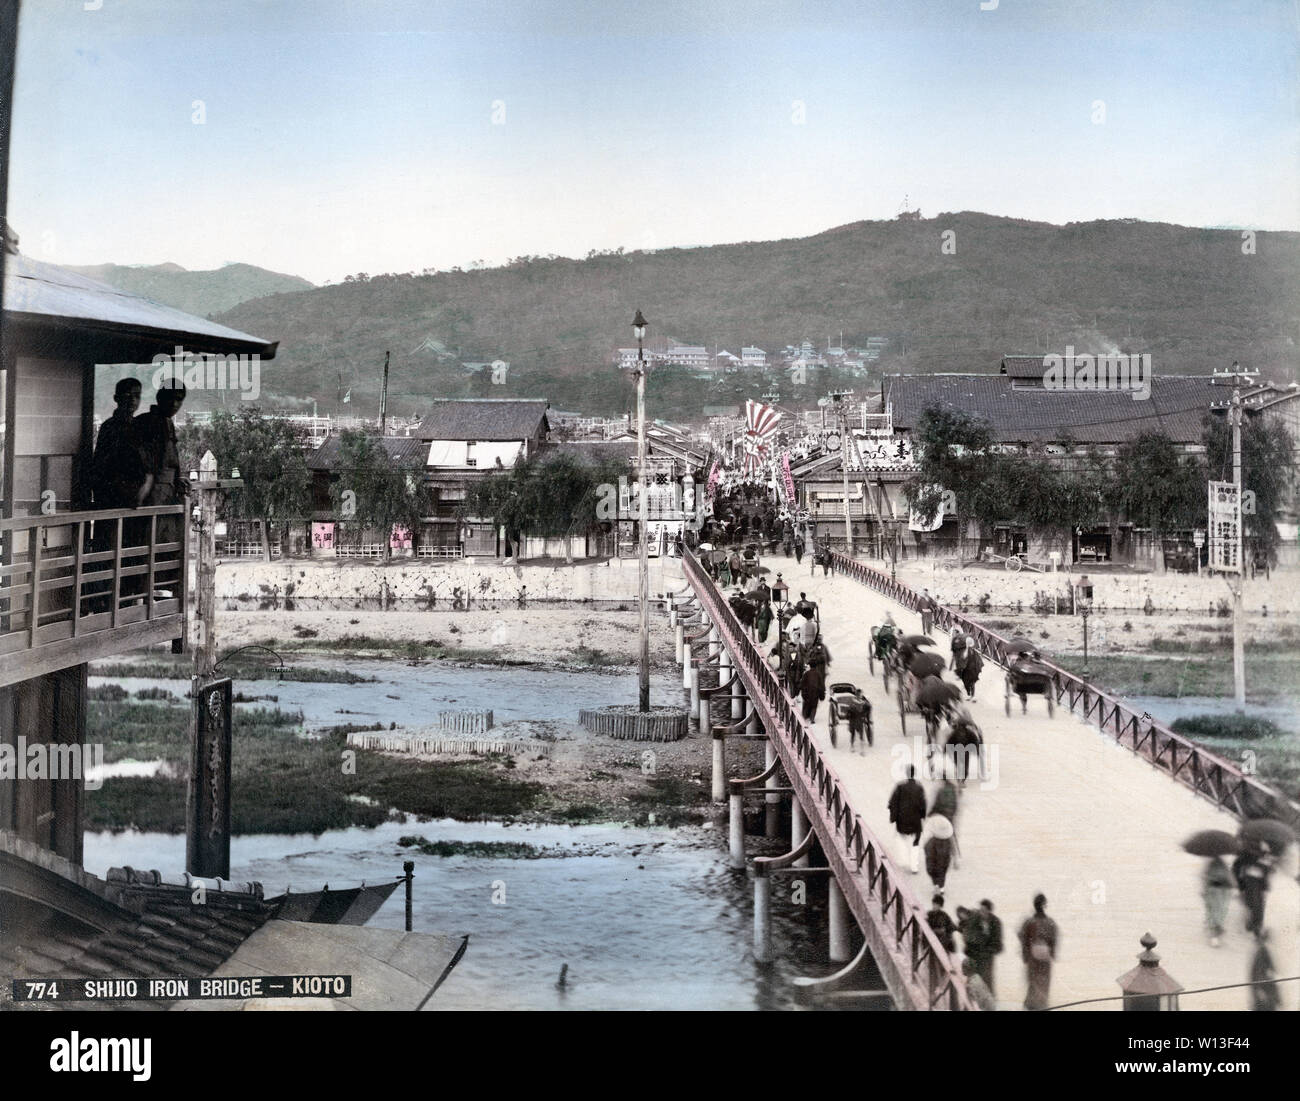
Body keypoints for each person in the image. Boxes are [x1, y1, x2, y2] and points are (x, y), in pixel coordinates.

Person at [90, 378, 153, 604]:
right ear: (116, 398)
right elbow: (100, 466)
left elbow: (148, 467)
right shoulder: (109, 428)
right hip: (110, 500)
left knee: (130, 557)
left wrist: (140, 493)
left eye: (136, 395)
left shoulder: (139, 429)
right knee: (107, 554)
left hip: (133, 502)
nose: (132, 400)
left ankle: (126, 602)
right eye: (127, 396)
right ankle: (103, 603)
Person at [134, 380, 189, 593]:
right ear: (160, 398)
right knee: (150, 541)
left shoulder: (167, 422)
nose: (175, 404)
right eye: (171, 398)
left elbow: (172, 461)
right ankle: (146, 591)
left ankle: (163, 588)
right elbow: (146, 461)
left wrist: (178, 479)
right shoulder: (147, 422)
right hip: (152, 491)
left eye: (179, 399)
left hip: (168, 492)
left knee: (168, 542)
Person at [1019, 893, 1059, 1010]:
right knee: (1043, 983)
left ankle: (1031, 1005)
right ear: (1044, 905)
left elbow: (1023, 938)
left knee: (1033, 982)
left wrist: (1025, 955)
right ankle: (1041, 1005)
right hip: (1045, 958)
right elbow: (1053, 940)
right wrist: (1052, 953)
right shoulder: (1050, 922)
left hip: (1032, 957)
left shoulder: (1029, 922)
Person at [887, 765, 927, 873]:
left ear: (906, 773)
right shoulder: (919, 787)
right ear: (915, 774)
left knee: (901, 838)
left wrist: (893, 818)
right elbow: (923, 804)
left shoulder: (899, 786)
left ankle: (904, 859)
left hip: (902, 818)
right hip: (915, 819)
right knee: (916, 841)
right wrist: (923, 816)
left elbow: (892, 803)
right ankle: (914, 866)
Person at [1233, 847, 1274, 936]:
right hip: (1251, 883)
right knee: (1255, 904)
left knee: (1255, 904)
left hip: (1254, 883)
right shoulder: (1248, 853)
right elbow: (1237, 867)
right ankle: (1255, 925)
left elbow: (1267, 870)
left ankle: (1254, 925)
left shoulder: (1257, 852)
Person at [1203, 854, 1234, 946]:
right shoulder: (1223, 864)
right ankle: (1215, 933)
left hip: (1213, 890)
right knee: (1219, 911)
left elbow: (1205, 877)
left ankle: (1214, 931)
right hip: (1220, 891)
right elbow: (1229, 878)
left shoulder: (1210, 864)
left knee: (1213, 910)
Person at [1250, 930, 1280, 1011]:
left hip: (1265, 990)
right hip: (1264, 991)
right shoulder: (1261, 952)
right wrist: (1259, 991)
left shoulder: (1263, 951)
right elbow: (1256, 973)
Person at [924, 816, 954, 891]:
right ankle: (941, 887)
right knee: (942, 873)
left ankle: (936, 884)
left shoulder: (932, 841)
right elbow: (951, 851)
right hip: (944, 861)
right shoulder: (948, 841)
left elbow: (927, 849)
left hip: (933, 861)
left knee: (932, 872)